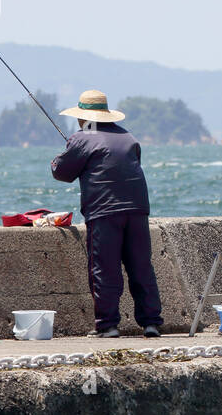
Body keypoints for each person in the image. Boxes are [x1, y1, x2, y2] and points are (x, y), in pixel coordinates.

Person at [51, 89, 163, 337]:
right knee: (141, 266)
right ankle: (151, 323)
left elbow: (62, 172)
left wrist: (62, 154)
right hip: (137, 209)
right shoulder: (128, 137)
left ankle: (108, 325)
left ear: (83, 117)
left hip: (104, 210)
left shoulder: (82, 137)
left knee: (104, 267)